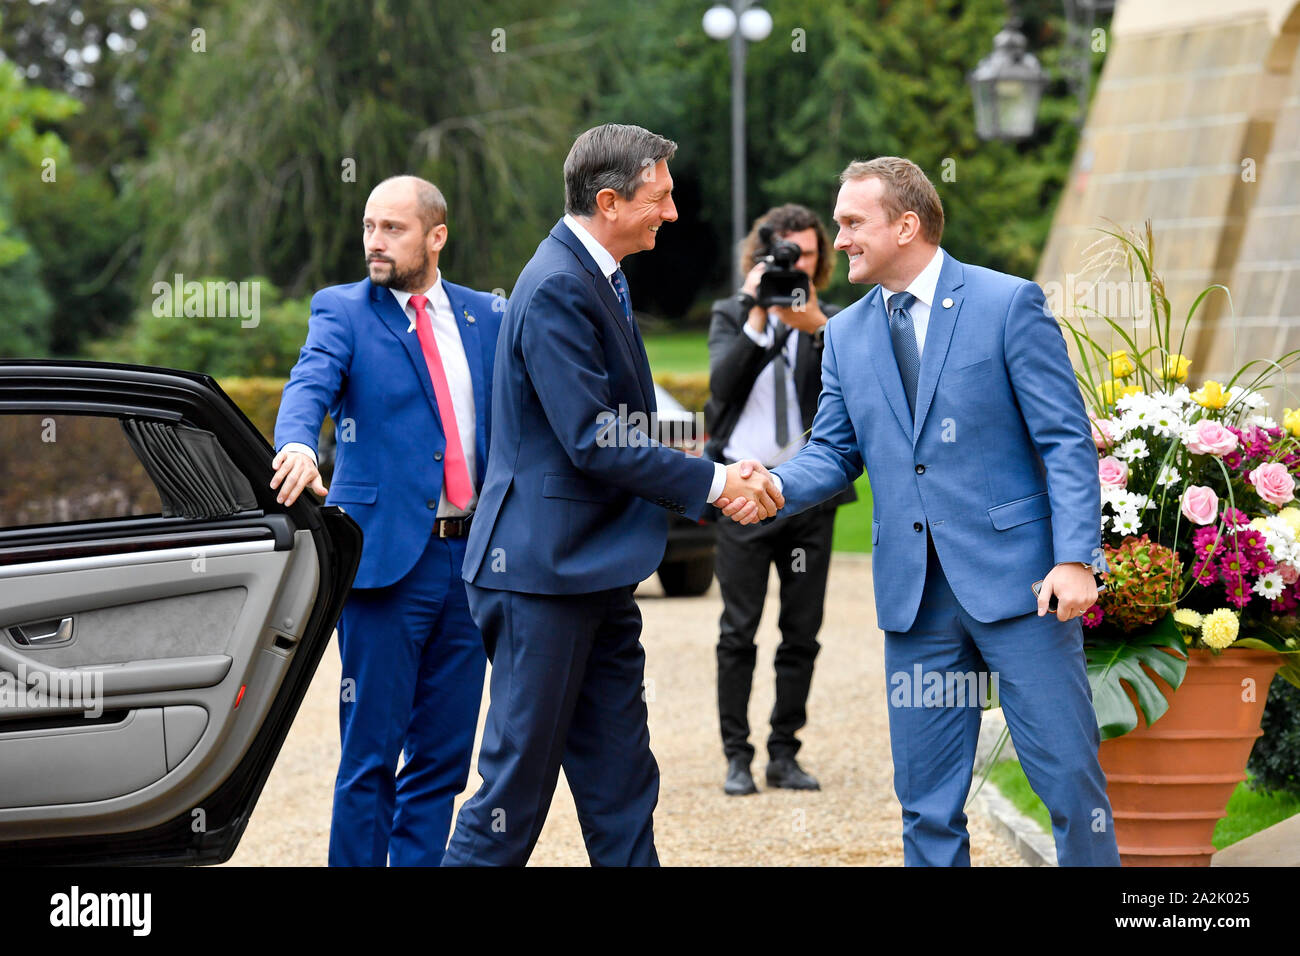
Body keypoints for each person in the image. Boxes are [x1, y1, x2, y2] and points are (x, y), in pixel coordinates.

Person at [720, 157, 1119, 867]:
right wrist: (773, 486)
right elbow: (835, 453)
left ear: (906, 225)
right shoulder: (844, 336)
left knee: (1069, 785)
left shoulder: (1008, 304)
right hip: (915, 602)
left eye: (850, 223)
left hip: (1026, 588)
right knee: (927, 806)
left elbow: (1064, 439)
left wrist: (1073, 558)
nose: (837, 240)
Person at [442, 123, 782, 867]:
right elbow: (594, 437)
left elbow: (622, 422)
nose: (672, 213)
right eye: (659, 198)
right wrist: (718, 483)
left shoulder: (595, 273)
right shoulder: (561, 283)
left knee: (623, 785)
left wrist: (713, 461)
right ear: (609, 199)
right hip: (541, 576)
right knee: (512, 801)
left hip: (589, 571)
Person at [271, 175, 504, 866]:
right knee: (370, 757)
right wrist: (295, 444)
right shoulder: (342, 310)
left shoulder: (485, 315)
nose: (375, 241)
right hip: (384, 563)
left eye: (392, 229)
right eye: (370, 226)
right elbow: (309, 381)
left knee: (442, 757)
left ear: (436, 236)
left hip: (471, 562)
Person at [704, 204, 857, 796]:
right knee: (737, 629)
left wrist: (814, 324)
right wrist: (758, 317)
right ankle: (736, 755)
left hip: (810, 495)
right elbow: (720, 388)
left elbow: (854, 395)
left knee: (802, 631)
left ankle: (783, 752)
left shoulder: (833, 322)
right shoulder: (731, 314)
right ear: (759, 260)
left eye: (808, 257)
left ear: (820, 262)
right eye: (783, 259)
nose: (796, 269)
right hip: (743, 491)